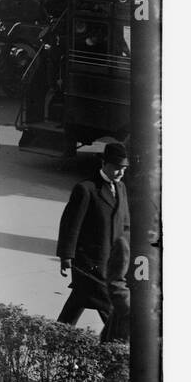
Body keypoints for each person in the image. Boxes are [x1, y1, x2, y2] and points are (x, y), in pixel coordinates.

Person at [56, 143, 131, 342]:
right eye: (116, 167)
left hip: (112, 261)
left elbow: (125, 224)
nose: (120, 172)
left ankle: (57, 336)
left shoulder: (121, 188)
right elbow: (71, 225)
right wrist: (66, 256)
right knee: (109, 305)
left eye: (124, 168)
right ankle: (116, 345)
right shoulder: (86, 189)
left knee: (79, 300)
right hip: (89, 262)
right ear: (104, 163)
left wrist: (127, 256)